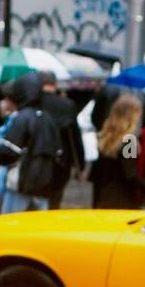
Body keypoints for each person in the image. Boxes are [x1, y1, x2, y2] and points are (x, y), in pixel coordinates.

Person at [0, 71, 60, 215]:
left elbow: (9, 152)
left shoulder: (21, 118)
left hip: (20, 184)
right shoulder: (48, 119)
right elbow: (58, 153)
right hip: (43, 186)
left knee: (10, 228)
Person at [38, 70, 84, 209]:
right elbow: (75, 136)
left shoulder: (35, 103)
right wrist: (80, 164)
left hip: (39, 157)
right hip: (62, 160)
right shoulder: (67, 105)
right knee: (55, 198)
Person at [91, 92, 142, 208]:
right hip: (123, 200)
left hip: (104, 198)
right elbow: (131, 175)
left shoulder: (106, 137)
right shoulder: (129, 140)